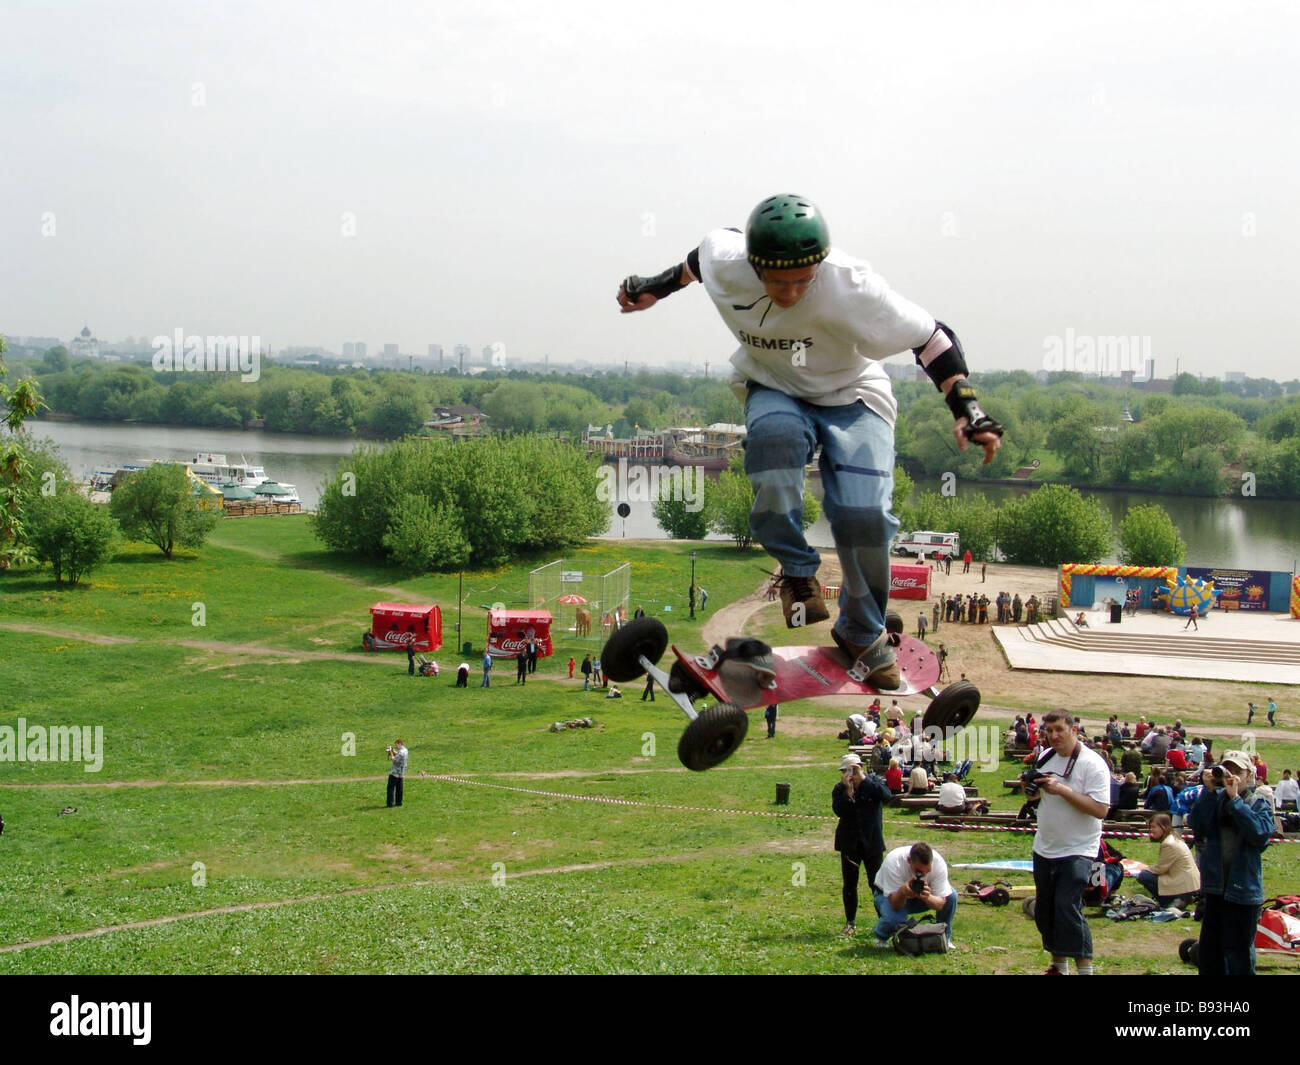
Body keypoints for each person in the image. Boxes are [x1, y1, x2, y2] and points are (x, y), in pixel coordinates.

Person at [617, 194, 1002, 690]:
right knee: (774, 447)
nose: (791, 291)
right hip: (775, 385)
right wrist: (654, 288)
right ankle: (798, 572)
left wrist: (967, 409)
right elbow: (695, 263)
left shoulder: (854, 285)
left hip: (854, 394)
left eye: (803, 279)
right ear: (754, 265)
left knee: (864, 515)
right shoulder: (726, 259)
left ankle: (862, 631)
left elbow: (933, 337)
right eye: (777, 280)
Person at [1030, 709, 1111, 976]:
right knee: (1046, 911)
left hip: (1079, 848)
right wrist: (1030, 790)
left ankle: (1085, 969)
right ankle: (1058, 966)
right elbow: (1036, 798)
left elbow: (1101, 809)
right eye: (1049, 731)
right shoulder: (1045, 757)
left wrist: (1062, 789)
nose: (1053, 736)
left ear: (1074, 731)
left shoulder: (1092, 763)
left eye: (1059, 730)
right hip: (1046, 845)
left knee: (1068, 907)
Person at [1190, 750, 1275, 975]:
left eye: (1238, 771)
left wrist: (1236, 800)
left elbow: (1258, 835)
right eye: (1228, 769)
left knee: (1239, 957)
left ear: (1250, 775)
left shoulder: (1258, 802)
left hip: (1244, 890)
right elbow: (1198, 825)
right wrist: (1208, 792)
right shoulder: (1215, 799)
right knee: (1211, 955)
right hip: (1216, 889)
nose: (1232, 775)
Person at [832, 753, 892, 936]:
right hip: (849, 843)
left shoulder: (873, 783)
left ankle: (884, 920)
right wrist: (848, 792)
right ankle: (850, 922)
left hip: (872, 842)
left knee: (877, 884)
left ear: (861, 768)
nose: (850, 774)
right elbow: (839, 810)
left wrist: (864, 780)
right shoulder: (839, 789)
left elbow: (887, 796)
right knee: (849, 884)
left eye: (853, 769)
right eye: (846, 770)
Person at [871, 841, 958, 949]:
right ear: (909, 861)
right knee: (894, 919)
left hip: (920, 898)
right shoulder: (894, 862)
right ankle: (881, 938)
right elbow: (895, 905)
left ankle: (944, 937)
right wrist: (903, 892)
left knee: (952, 896)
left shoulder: (939, 863)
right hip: (887, 896)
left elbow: (941, 904)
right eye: (919, 872)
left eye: (928, 871)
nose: (924, 875)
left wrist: (928, 897)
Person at [1135, 813, 1200, 907]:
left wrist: (1144, 869)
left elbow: (1160, 869)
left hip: (1183, 884)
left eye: (1154, 827)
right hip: (1190, 883)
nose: (1151, 830)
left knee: (1144, 876)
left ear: (1163, 827)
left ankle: (1169, 902)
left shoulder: (1168, 844)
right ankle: (1180, 898)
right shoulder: (1174, 837)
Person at [386, 739, 408, 808]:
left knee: (390, 788)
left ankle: (390, 804)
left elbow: (394, 760)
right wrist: (393, 751)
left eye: (396, 745)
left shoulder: (401, 752)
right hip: (401, 773)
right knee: (399, 789)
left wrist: (390, 752)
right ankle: (399, 802)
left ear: (399, 743)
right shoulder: (405, 750)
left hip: (395, 773)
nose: (396, 746)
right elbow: (398, 754)